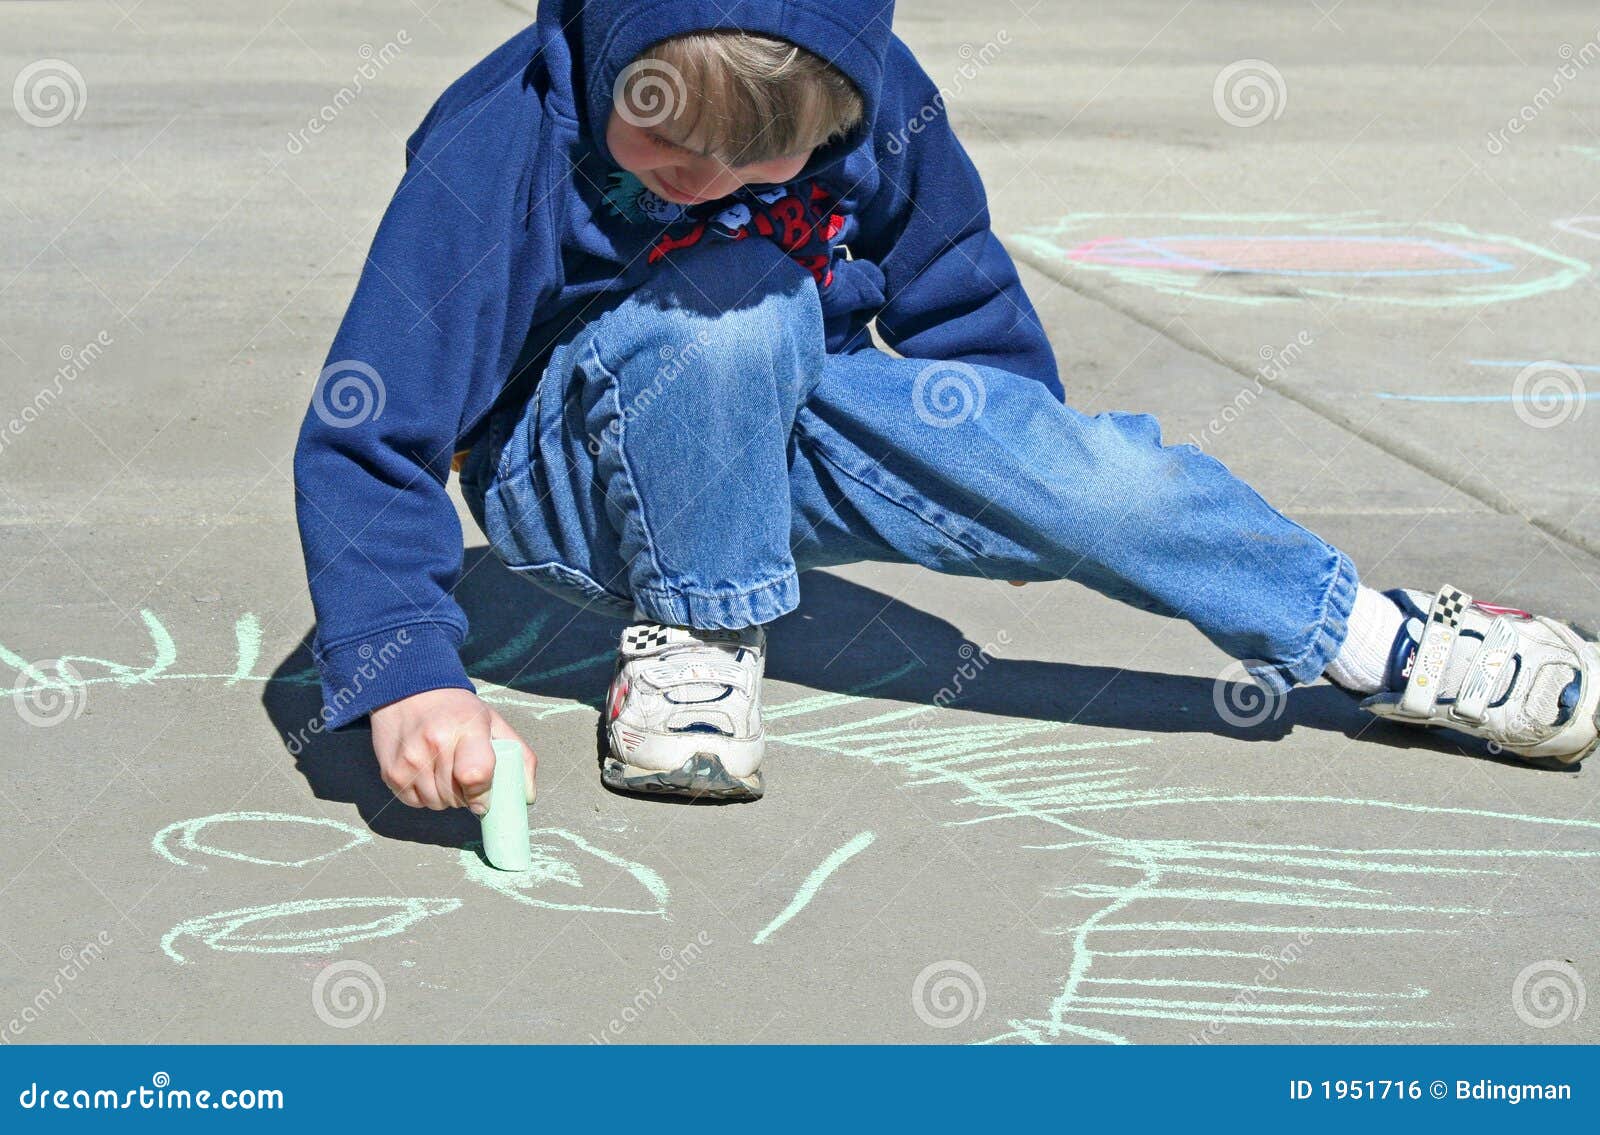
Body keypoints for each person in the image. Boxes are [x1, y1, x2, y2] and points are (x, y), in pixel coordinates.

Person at [293, 0, 1599, 811]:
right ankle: (697, 645)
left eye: (762, 158)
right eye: (665, 150)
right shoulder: (501, 148)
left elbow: (953, 284)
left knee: (1091, 479)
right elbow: (374, 426)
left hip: (788, 412)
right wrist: (406, 670)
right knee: (735, 291)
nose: (704, 180)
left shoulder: (878, 105)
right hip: (568, 474)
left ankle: (1372, 640)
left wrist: (1021, 463)